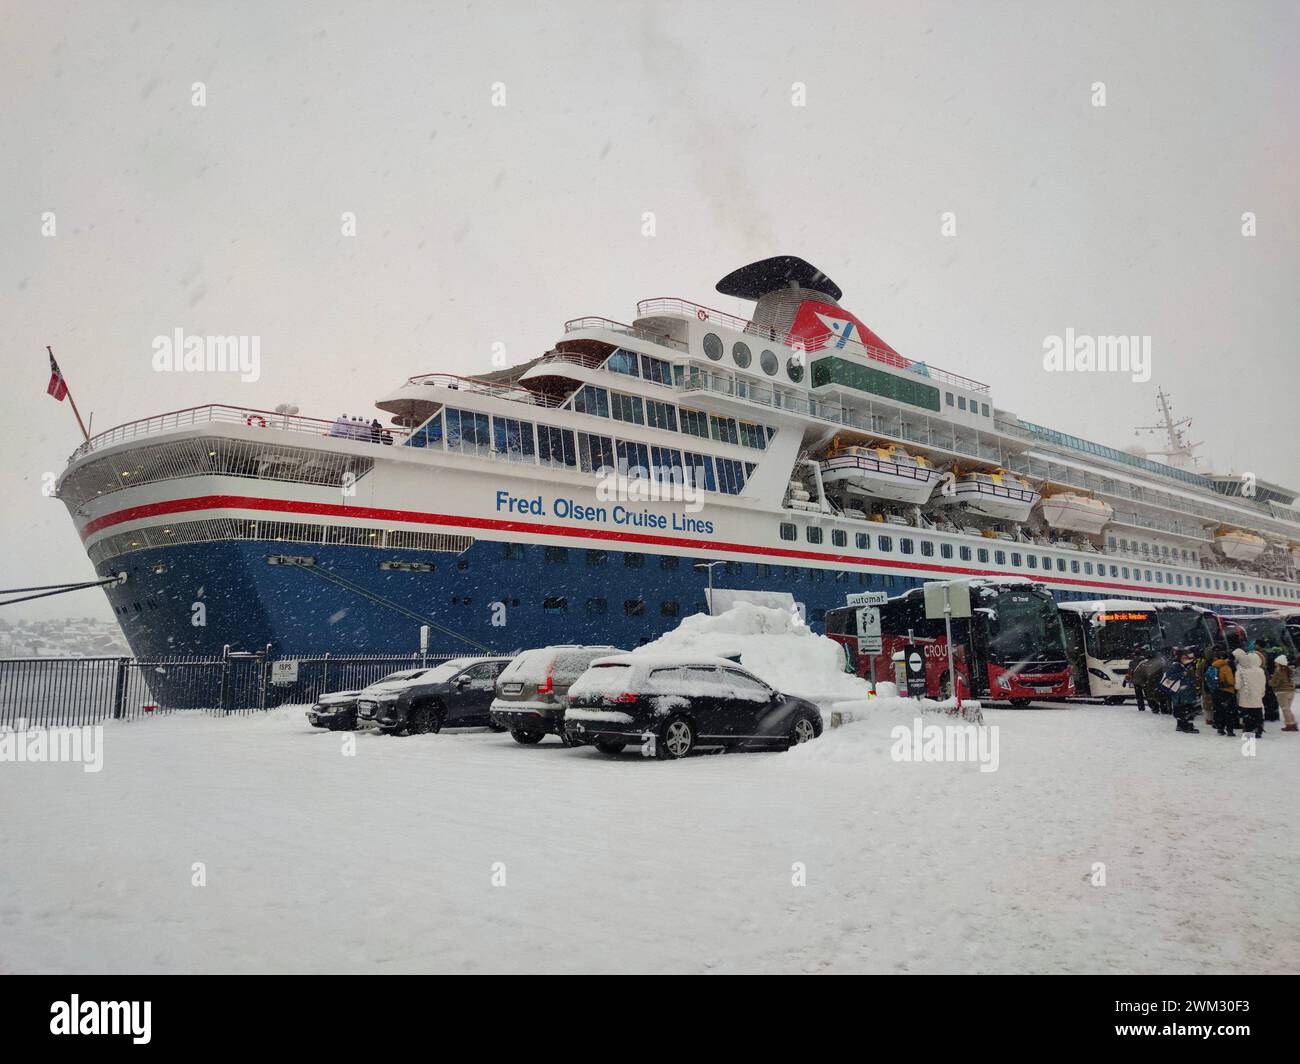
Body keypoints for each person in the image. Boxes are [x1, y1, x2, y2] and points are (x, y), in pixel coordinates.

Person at [1162, 647, 1201, 733]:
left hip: (1184, 692)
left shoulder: (1185, 665)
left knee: (1183, 710)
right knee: (1184, 710)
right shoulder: (1176, 665)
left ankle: (1180, 725)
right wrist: (1183, 674)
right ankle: (1186, 727)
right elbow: (1170, 676)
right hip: (1181, 693)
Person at [1233, 646, 1266, 739]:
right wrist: (1260, 694)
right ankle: (1258, 731)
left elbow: (1237, 686)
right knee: (1257, 716)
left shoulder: (1241, 671)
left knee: (1247, 718)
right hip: (1257, 699)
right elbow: (1263, 686)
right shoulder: (1261, 671)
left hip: (1245, 699)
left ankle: (1249, 732)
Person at [1206, 648, 1236, 736]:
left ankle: (1220, 728)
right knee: (1228, 712)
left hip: (1215, 691)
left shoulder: (1213, 666)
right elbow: (1231, 681)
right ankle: (1230, 730)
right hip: (1226, 691)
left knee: (1219, 710)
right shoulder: (1226, 667)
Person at [1270, 654, 1296, 732]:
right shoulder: (1288, 670)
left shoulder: (1278, 671)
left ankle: (1290, 725)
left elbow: (1276, 683)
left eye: (1276, 662)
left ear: (1279, 663)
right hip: (1291, 691)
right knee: (1288, 709)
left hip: (1282, 692)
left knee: (1285, 709)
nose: (1275, 664)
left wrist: (1271, 682)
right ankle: (1293, 724)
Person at [1125, 646, 1148, 711]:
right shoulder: (1145, 661)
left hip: (1136, 681)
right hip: (1145, 681)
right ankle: (1153, 706)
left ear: (1134, 654)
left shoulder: (1132, 662)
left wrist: (1126, 680)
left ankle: (1141, 707)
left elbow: (1130, 672)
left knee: (1139, 695)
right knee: (1147, 694)